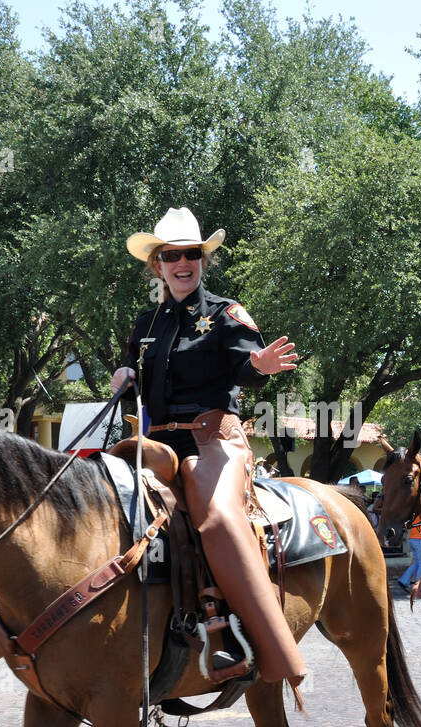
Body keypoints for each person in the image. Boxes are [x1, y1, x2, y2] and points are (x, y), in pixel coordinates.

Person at [111, 206, 306, 685]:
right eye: (172, 255)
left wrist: (257, 365)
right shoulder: (145, 324)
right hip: (155, 443)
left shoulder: (225, 314)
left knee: (216, 519)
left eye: (191, 255)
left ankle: (251, 640)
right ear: (157, 263)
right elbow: (136, 374)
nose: (182, 263)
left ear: (202, 259)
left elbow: (245, 367)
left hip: (213, 437)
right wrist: (124, 375)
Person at [396, 518, 421, 596]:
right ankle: (419, 585)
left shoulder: (417, 514)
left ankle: (403, 580)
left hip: (412, 539)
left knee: (417, 563)